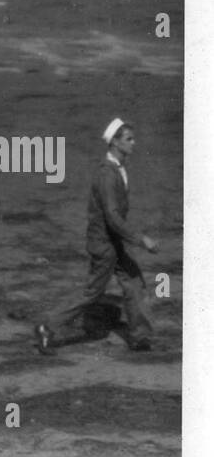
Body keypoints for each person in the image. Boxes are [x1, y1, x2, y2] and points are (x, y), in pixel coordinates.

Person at [36, 118, 159, 354]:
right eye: (128, 139)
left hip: (113, 241)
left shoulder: (117, 170)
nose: (134, 143)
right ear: (114, 142)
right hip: (104, 244)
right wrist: (141, 239)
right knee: (92, 293)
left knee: (134, 283)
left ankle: (140, 338)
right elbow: (112, 217)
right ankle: (47, 326)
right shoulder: (107, 175)